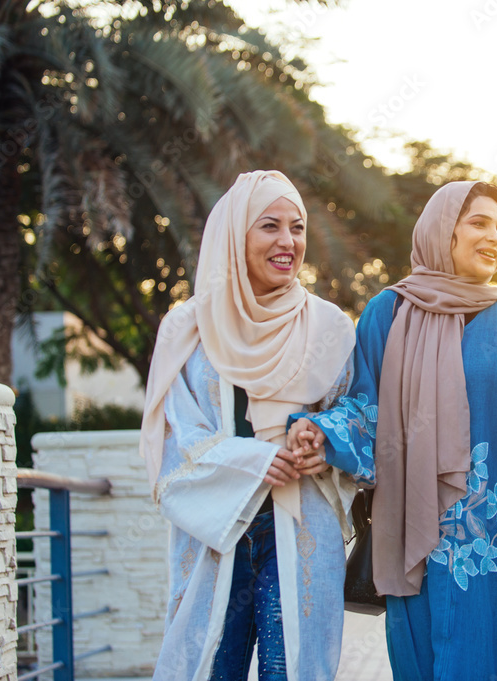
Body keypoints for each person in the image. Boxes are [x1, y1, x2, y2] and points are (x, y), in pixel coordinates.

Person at [289, 181, 497, 681]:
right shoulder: (388, 313)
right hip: (412, 549)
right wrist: (324, 431)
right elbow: (365, 407)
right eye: (479, 223)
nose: (495, 237)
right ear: (444, 230)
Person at [139, 170, 357, 681]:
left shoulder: (330, 327)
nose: (288, 242)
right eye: (269, 226)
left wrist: (325, 436)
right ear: (235, 235)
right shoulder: (187, 330)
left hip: (302, 526)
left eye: (297, 227)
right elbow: (176, 439)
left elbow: (361, 413)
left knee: (293, 669)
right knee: (213, 664)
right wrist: (254, 460)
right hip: (216, 531)